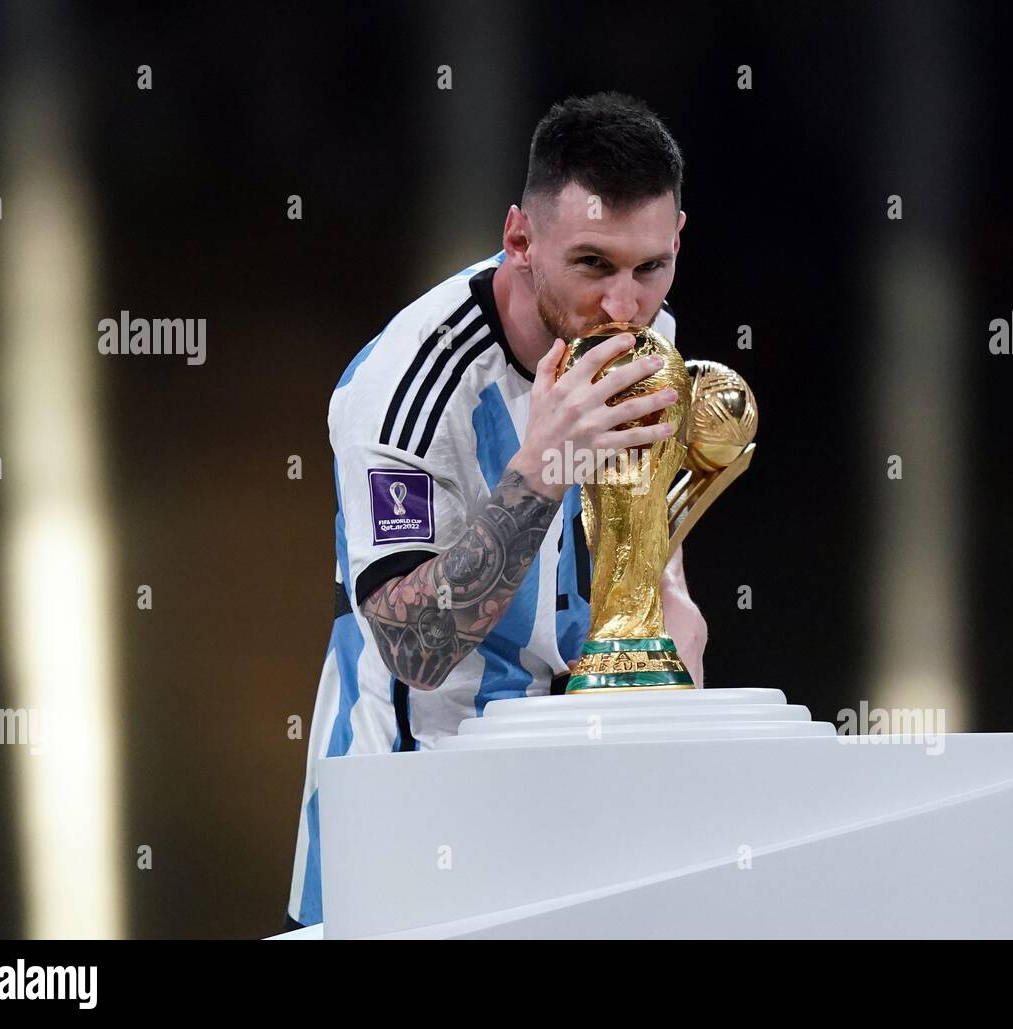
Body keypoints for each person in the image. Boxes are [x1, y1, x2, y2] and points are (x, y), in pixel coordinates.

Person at [284, 91, 706, 931]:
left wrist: (671, 623)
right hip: (407, 810)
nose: (626, 306)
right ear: (520, 238)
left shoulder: (646, 347)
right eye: (592, 264)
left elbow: (654, 571)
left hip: (565, 804)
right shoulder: (405, 388)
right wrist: (542, 469)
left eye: (650, 267)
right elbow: (413, 648)